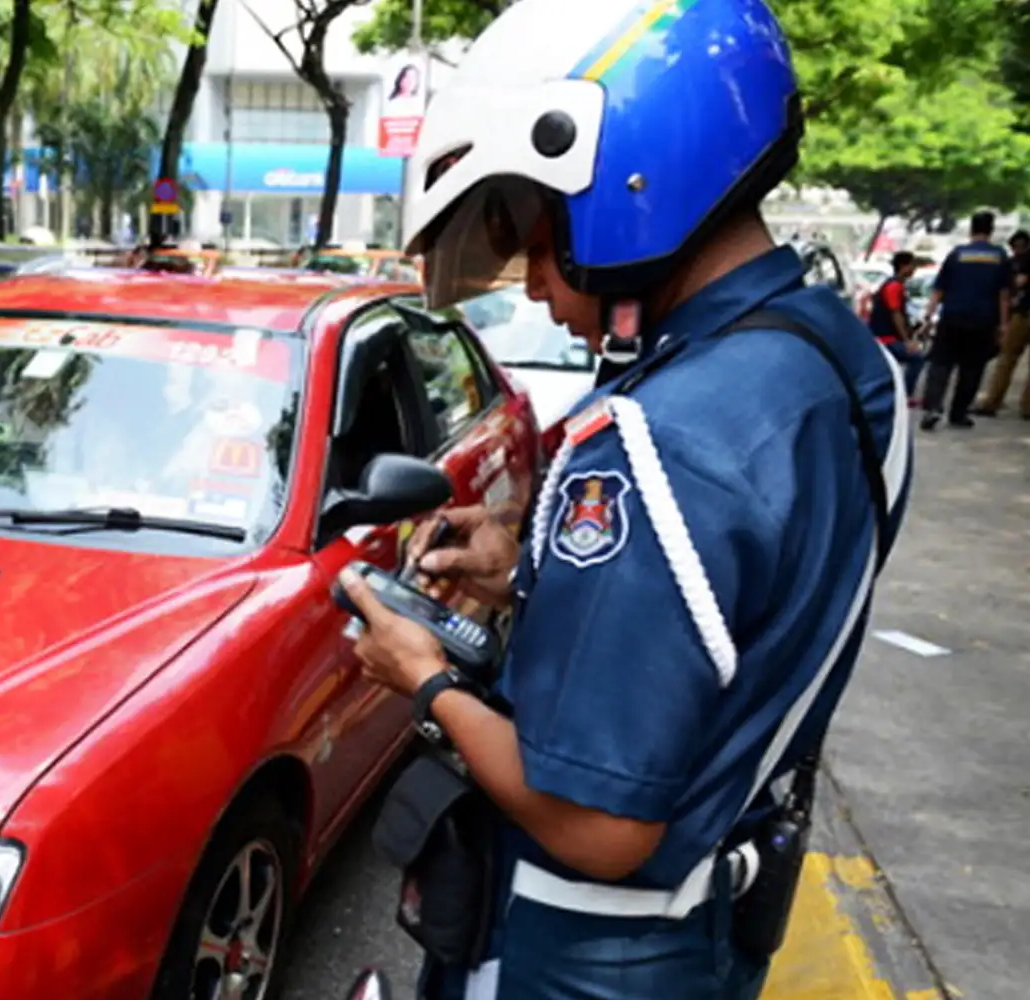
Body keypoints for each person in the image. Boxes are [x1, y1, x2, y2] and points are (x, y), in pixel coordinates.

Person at [334, 0, 913, 998]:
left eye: (531, 229)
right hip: (709, 922)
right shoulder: (841, 365)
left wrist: (422, 675)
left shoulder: (657, 439)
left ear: (626, 175)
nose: (532, 290)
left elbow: (600, 829)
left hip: (587, 950)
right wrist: (529, 569)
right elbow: (734, 612)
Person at [917, 211, 1012, 430]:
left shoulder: (956, 254)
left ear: (971, 229)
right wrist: (1004, 325)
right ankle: (958, 414)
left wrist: (929, 317)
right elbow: (1003, 295)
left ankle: (933, 408)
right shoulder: (1000, 257)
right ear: (991, 230)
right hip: (982, 321)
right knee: (972, 368)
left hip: (952, 318)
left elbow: (939, 290)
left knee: (940, 364)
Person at [972, 229, 1030, 418]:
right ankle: (1026, 407)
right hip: (1020, 312)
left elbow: (1017, 284)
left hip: (1023, 314)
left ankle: (992, 402)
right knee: (1007, 359)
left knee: (1007, 358)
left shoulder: (1019, 262)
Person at [867, 251, 924, 401]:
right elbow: (895, 313)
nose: (914, 269)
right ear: (903, 266)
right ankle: (905, 395)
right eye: (912, 265)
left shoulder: (895, 285)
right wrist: (907, 341)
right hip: (886, 338)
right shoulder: (894, 286)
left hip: (884, 336)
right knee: (917, 359)